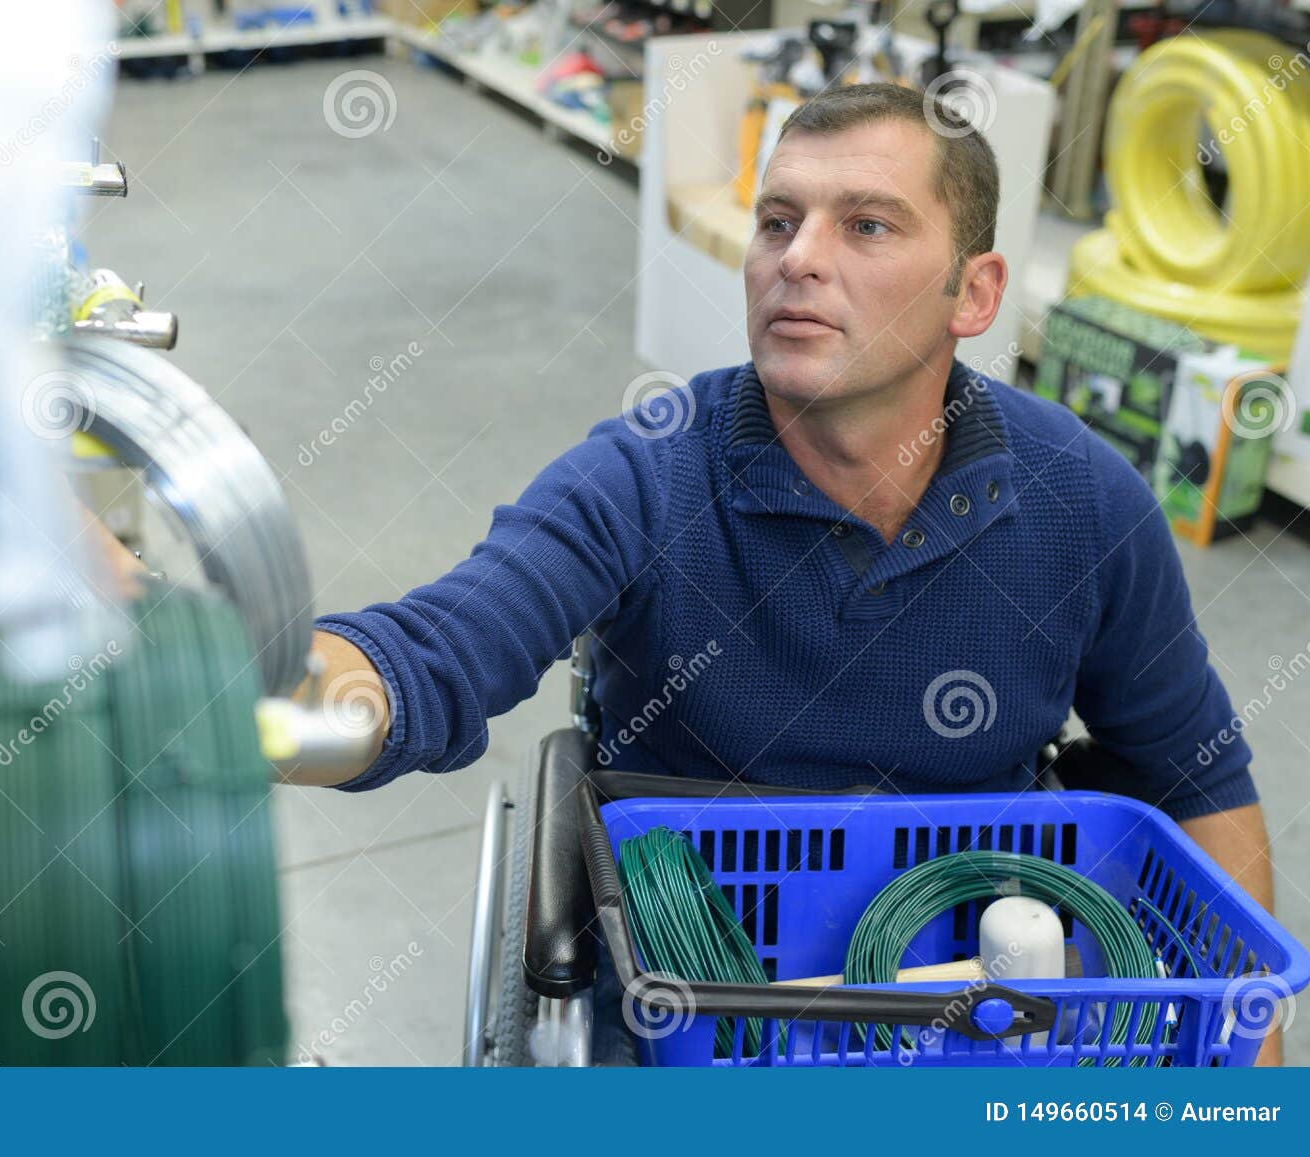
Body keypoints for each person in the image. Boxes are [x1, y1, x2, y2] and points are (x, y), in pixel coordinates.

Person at [280, 83, 1280, 1063]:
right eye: (777, 221)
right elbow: (437, 649)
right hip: (701, 1002)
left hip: (979, 992)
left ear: (973, 293)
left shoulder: (1084, 501)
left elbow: (1196, 771)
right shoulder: (648, 471)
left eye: (868, 226)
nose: (797, 258)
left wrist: (1253, 1059)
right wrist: (247, 701)